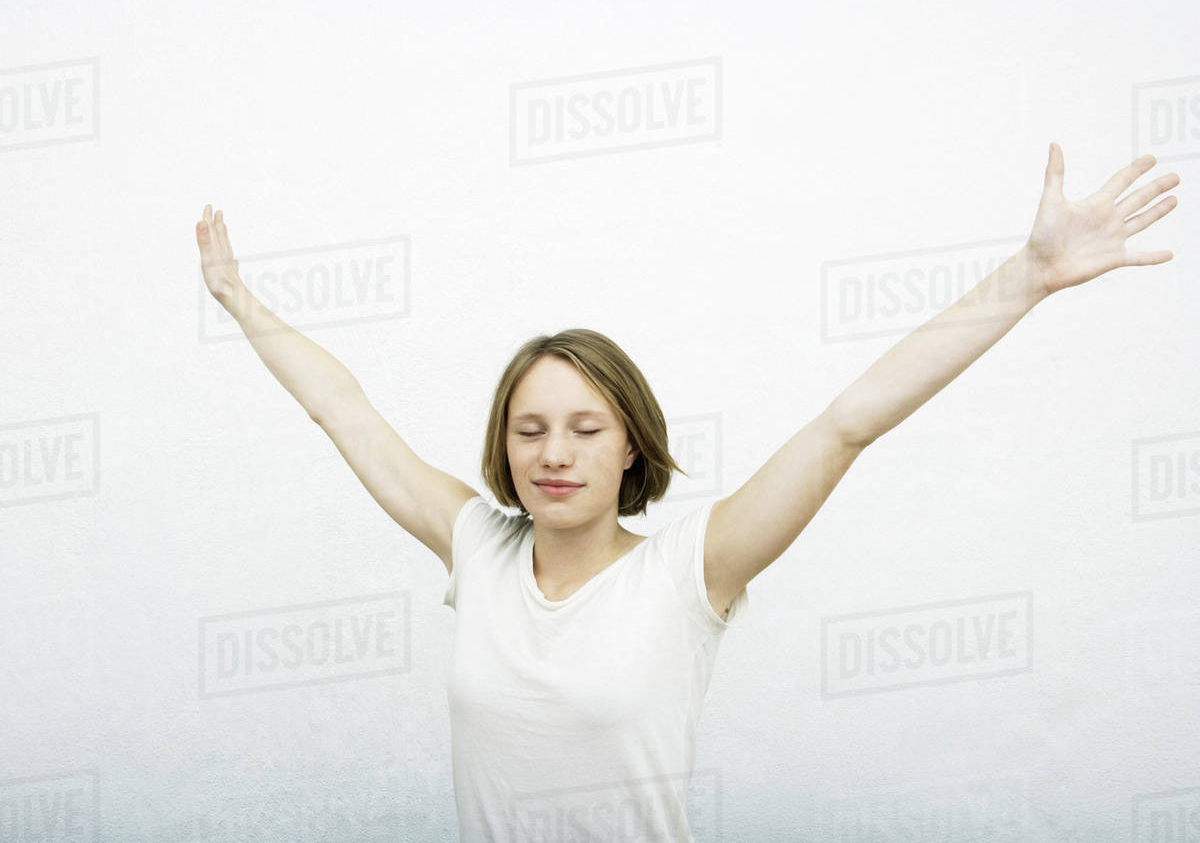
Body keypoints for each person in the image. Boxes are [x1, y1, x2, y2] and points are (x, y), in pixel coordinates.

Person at [193, 143, 1180, 842]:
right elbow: (346, 412)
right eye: (530, 430)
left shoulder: (688, 570)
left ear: (631, 447)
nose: (554, 454)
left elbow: (851, 421)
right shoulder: (475, 548)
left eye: (586, 430)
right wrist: (241, 301)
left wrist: (1029, 276)